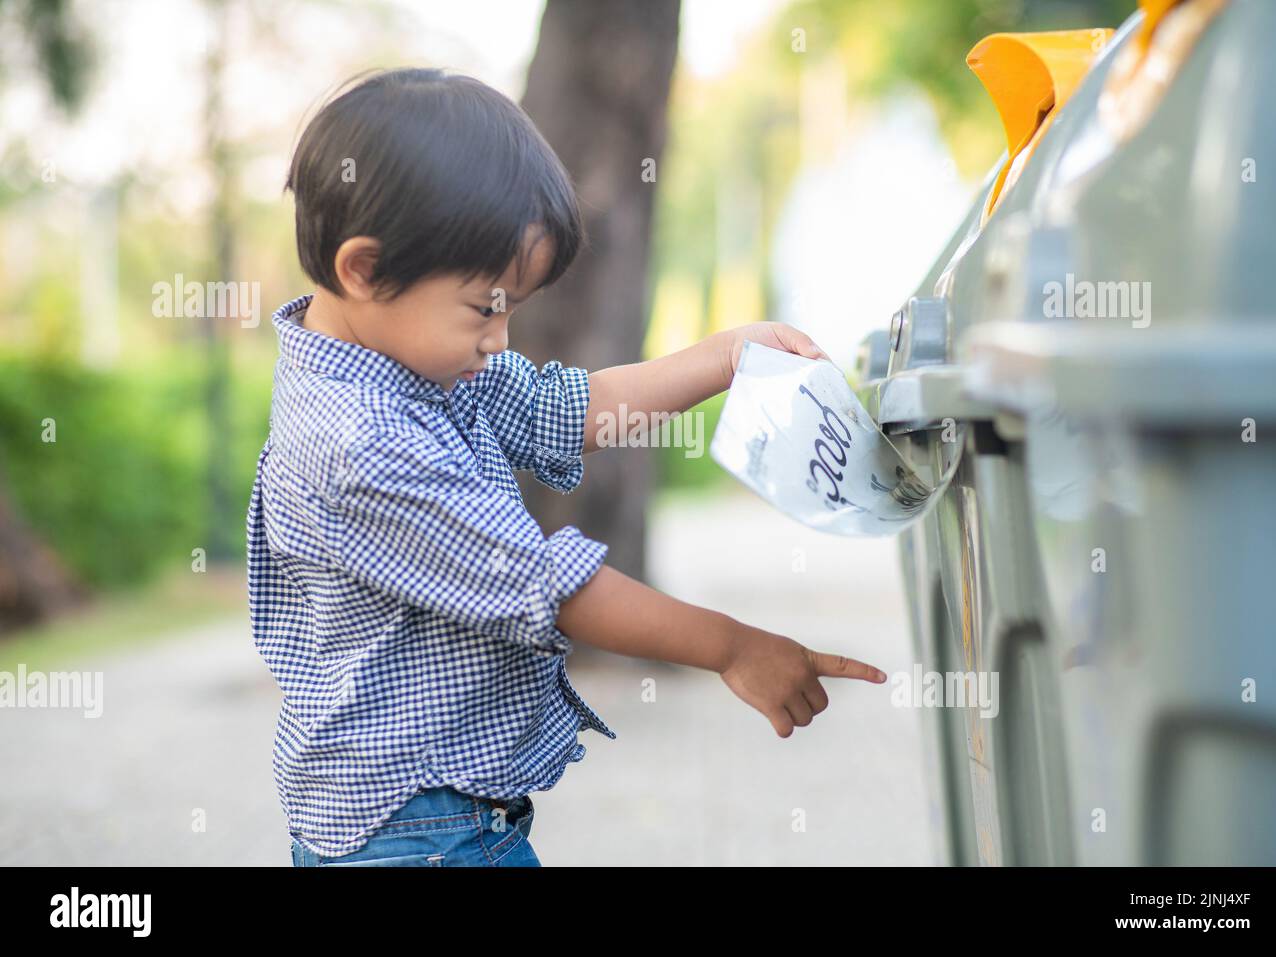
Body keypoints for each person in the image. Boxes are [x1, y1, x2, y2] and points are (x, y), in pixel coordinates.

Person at [249, 67, 887, 867]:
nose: (501, 338)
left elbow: (568, 408)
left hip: (439, 816)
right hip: (415, 833)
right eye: (488, 305)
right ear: (366, 270)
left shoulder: (407, 357)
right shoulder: (359, 439)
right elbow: (550, 586)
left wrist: (726, 356)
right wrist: (733, 646)